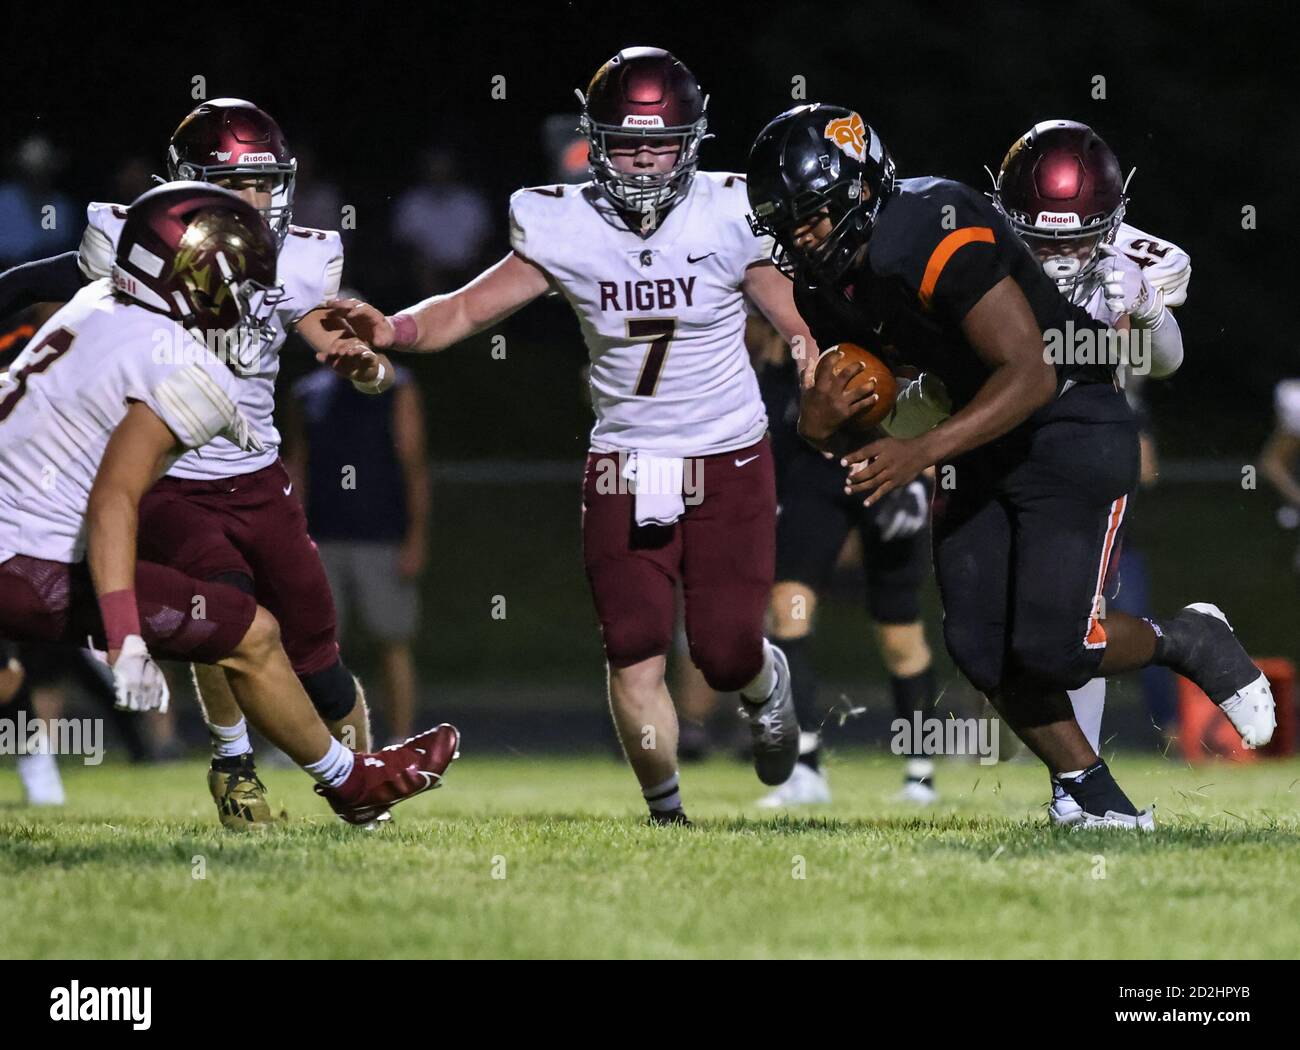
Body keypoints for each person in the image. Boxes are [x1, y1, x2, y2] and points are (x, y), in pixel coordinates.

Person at [328, 47, 824, 824]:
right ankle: (667, 817)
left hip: (725, 452)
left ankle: (768, 685)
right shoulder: (563, 221)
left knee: (726, 651)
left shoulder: (731, 209)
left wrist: (816, 366)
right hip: (627, 459)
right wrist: (389, 327)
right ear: (594, 140)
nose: (644, 158)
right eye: (626, 141)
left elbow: (798, 321)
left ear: (693, 139)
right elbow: (465, 310)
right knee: (633, 650)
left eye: (660, 141)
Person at [745, 103, 1274, 830]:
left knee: (1055, 645)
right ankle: (1091, 798)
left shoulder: (932, 228)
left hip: (1068, 425)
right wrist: (819, 423)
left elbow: (1030, 374)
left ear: (865, 190)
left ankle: (1186, 638)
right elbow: (871, 399)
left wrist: (917, 451)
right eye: (787, 223)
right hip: (976, 443)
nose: (802, 237)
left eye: (816, 215)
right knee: (976, 639)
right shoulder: (821, 285)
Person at [0, 182, 458, 826]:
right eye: (232, 280)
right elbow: (113, 501)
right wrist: (126, 638)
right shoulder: (177, 362)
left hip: (21, 539)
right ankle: (350, 782)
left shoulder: (92, 302)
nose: (244, 301)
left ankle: (350, 779)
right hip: (24, 561)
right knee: (251, 633)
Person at [989, 119, 1190, 821]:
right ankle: (1187, 645)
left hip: (1082, 455)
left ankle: (1075, 788)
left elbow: (1166, 360)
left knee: (1077, 619)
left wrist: (1142, 304)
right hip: (994, 448)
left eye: (1076, 237)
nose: (1059, 255)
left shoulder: (1134, 261)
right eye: (1041, 239)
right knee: (989, 622)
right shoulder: (977, 247)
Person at [755, 314, 939, 808]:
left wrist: (925, 471)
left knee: (899, 630)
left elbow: (933, 391)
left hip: (886, 461)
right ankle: (805, 767)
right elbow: (774, 391)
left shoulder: (884, 297)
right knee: (788, 609)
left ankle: (920, 776)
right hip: (813, 469)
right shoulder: (783, 309)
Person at [285, 355, 431, 743]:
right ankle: (319, 744)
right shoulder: (307, 393)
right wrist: (289, 537)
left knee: (392, 641)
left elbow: (413, 464)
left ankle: (402, 740)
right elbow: (297, 465)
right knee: (317, 648)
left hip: (382, 537)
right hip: (321, 538)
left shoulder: (397, 387)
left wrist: (415, 538)